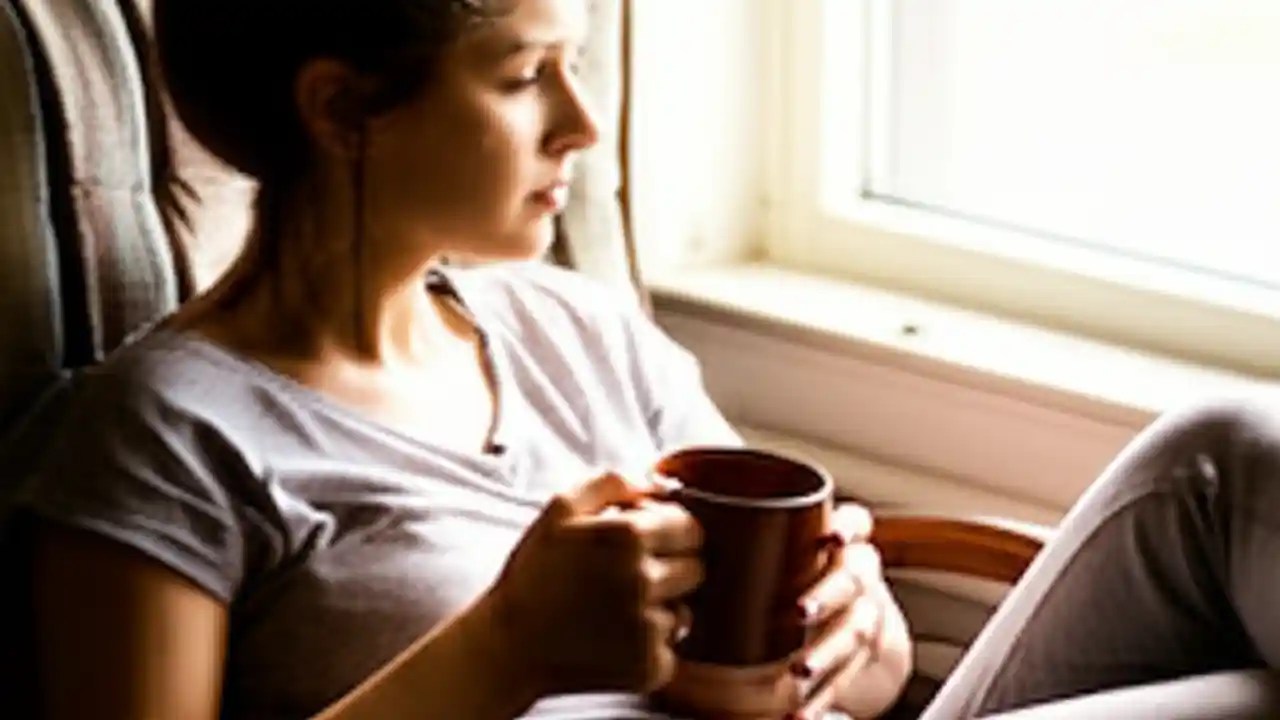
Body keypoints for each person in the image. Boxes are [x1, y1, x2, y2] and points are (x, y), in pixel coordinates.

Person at [10, 0, 912, 718]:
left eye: (577, 64)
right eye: (524, 76)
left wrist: (846, 623)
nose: (585, 125)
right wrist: (506, 645)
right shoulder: (166, 436)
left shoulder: (582, 334)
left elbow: (873, 682)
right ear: (341, 110)